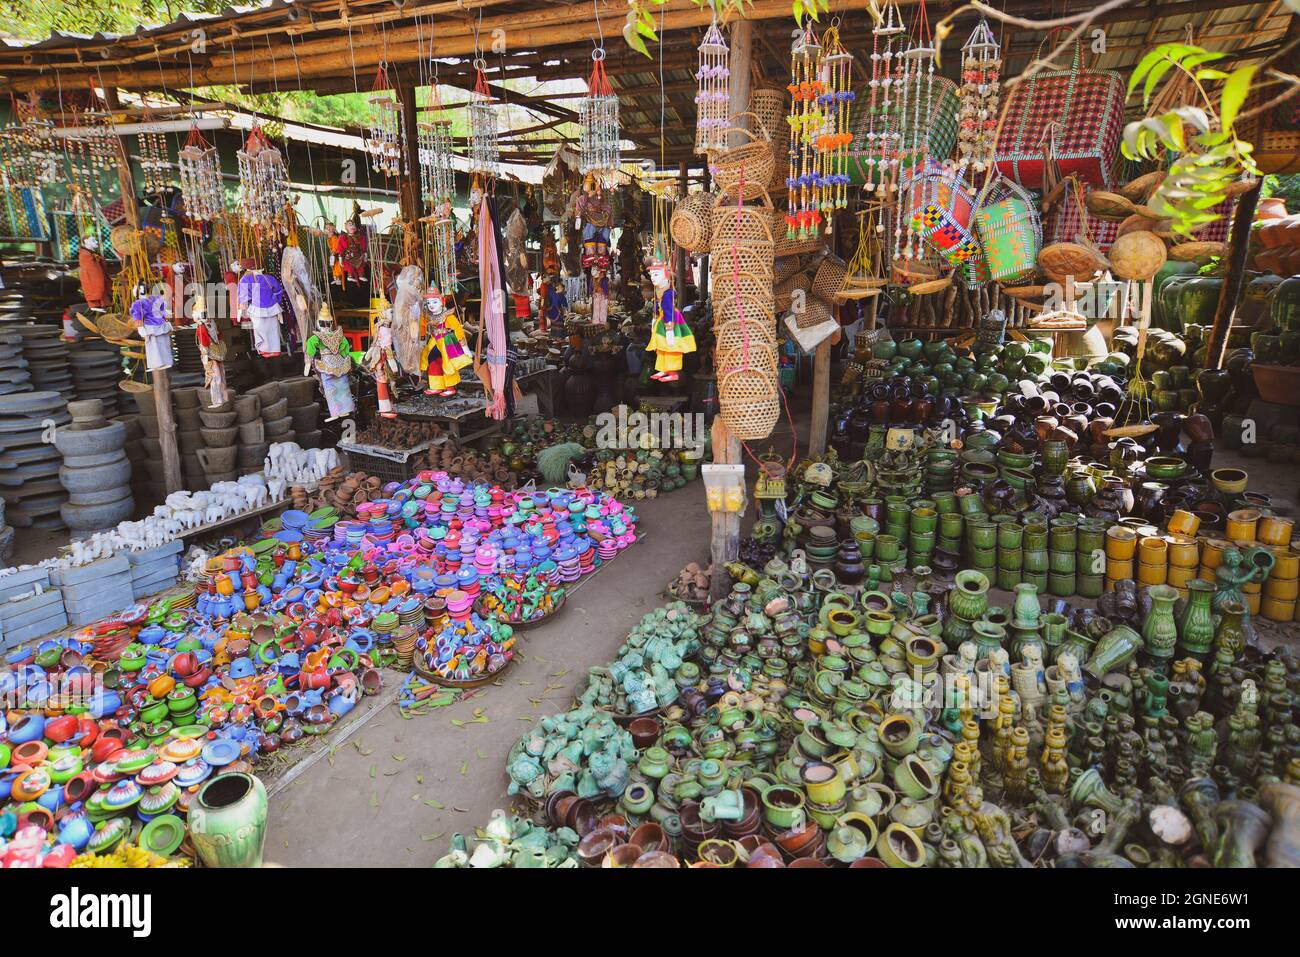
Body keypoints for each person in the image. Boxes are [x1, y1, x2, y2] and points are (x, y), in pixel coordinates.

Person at [646, 261, 696, 382]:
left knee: (672, 346)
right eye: (652, 275)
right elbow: (658, 306)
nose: (653, 278)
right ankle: (664, 368)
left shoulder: (668, 294)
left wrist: (669, 330)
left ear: (667, 278)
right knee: (661, 347)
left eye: (656, 275)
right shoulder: (660, 292)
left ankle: (673, 371)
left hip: (670, 321)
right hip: (662, 320)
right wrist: (655, 318)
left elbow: (668, 311)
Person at [419, 288, 472, 396]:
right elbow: (422, 327)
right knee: (432, 360)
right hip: (434, 340)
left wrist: (464, 346)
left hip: (446, 341)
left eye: (434, 302)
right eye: (428, 302)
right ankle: (436, 386)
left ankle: (450, 387)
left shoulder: (449, 316)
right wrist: (422, 339)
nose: (431, 305)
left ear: (442, 302)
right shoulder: (427, 316)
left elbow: (458, 330)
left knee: (447, 363)